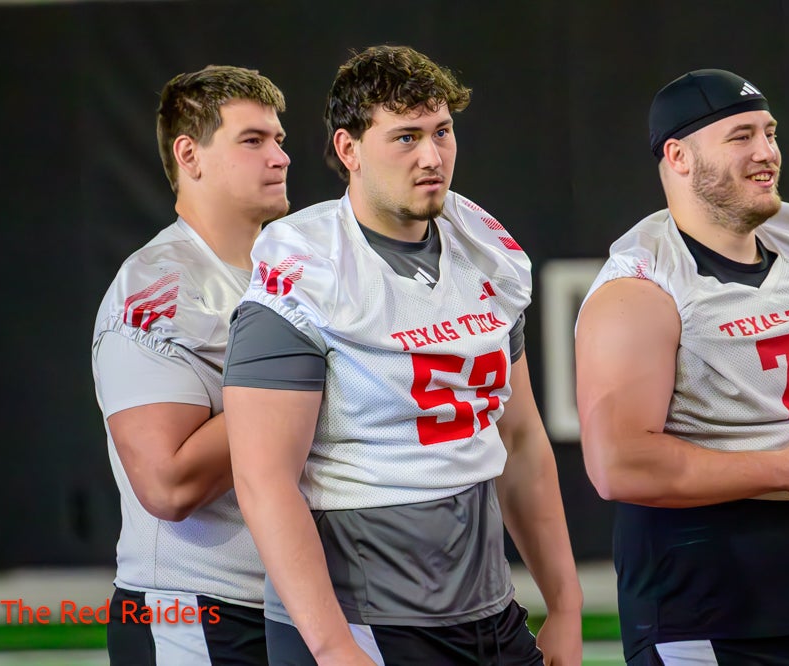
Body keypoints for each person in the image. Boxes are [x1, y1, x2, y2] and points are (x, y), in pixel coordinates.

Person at [221, 44, 583, 666]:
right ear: (348, 150)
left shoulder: (482, 246)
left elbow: (521, 438)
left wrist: (566, 603)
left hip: (487, 607)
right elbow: (263, 478)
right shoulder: (303, 272)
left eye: (442, 132)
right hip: (364, 617)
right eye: (406, 136)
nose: (432, 156)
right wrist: (333, 646)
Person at [575, 68, 789, 665]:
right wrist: (783, 469)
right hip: (704, 621)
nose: (767, 153)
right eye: (741, 136)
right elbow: (618, 466)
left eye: (770, 133)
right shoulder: (641, 287)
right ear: (679, 156)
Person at [91, 64, 290, 664]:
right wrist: (295, 382)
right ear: (190, 154)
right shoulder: (156, 287)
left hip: (292, 602)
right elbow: (168, 483)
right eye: (252, 141)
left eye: (279, 140)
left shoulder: (297, 276)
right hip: (198, 610)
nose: (279, 157)